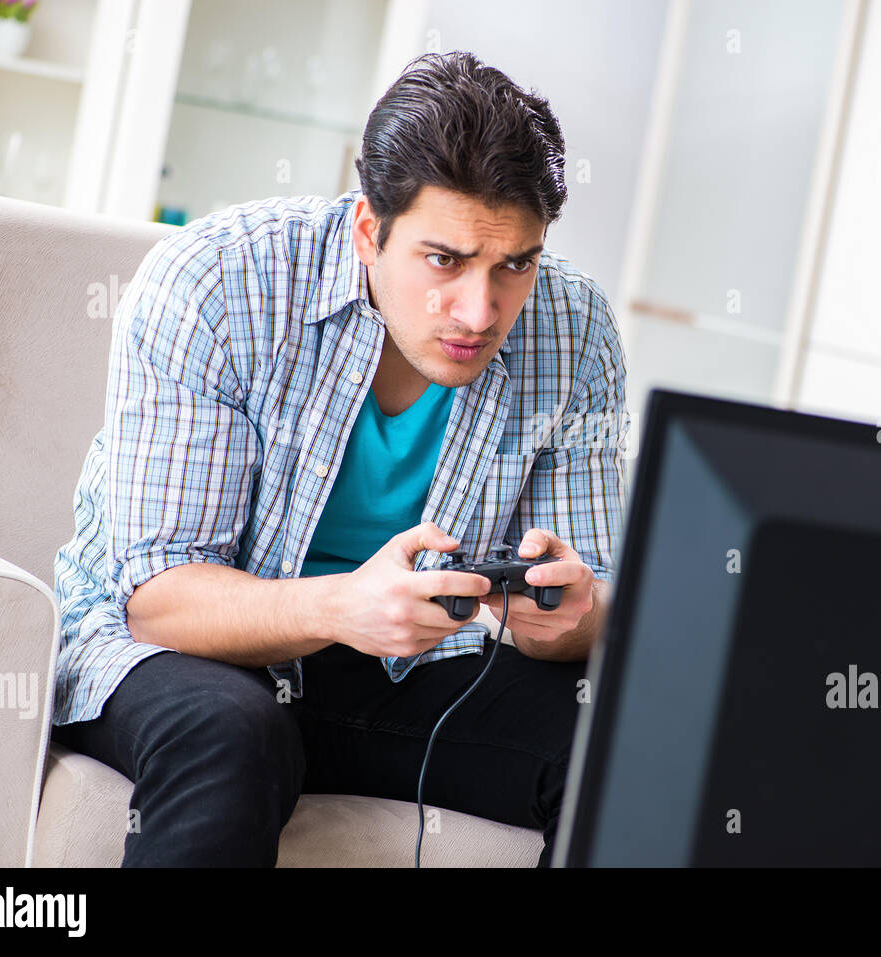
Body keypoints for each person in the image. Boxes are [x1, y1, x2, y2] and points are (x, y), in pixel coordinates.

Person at [50, 50, 629, 867]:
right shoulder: (216, 280)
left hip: (414, 666)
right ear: (369, 231)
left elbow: (595, 602)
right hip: (177, 656)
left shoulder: (575, 329)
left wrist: (572, 616)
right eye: (445, 259)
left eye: (514, 264)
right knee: (232, 732)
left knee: (629, 739)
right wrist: (344, 606)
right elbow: (159, 599)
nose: (481, 308)